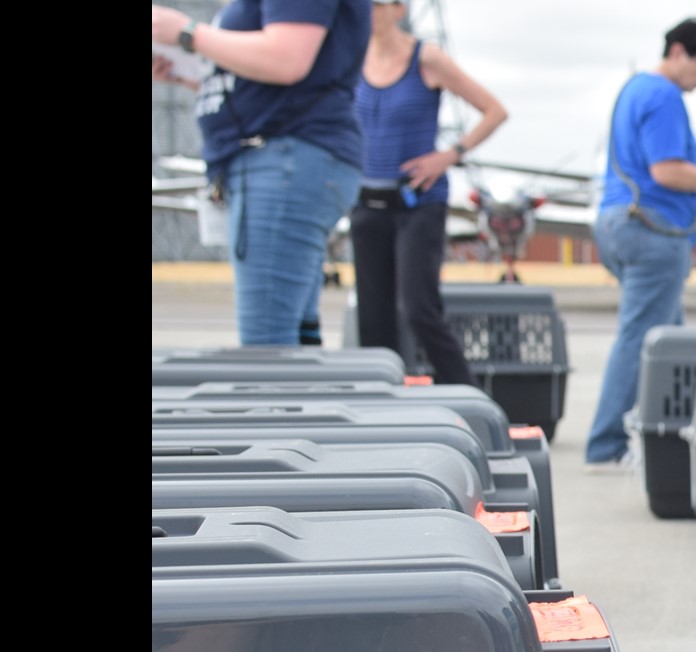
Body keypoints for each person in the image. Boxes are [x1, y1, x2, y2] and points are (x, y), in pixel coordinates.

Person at [152, 1, 372, 345]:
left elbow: (286, 60)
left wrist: (188, 33)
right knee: (292, 335)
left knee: (267, 347)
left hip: (284, 158)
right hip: (280, 158)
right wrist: (194, 74)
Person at [583, 16, 696, 469]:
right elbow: (667, 171)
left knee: (672, 342)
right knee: (643, 339)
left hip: (619, 223)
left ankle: (671, 438)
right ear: (678, 52)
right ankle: (607, 444)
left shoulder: (634, 88)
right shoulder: (664, 95)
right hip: (653, 231)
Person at [350, 0, 508, 386]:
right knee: (372, 318)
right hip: (368, 203)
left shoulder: (426, 58)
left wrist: (450, 155)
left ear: (397, 9)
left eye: (374, 4)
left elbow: (494, 110)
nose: (364, 11)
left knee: (418, 307)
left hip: (418, 203)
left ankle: (469, 398)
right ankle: (381, 405)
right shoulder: (350, 57)